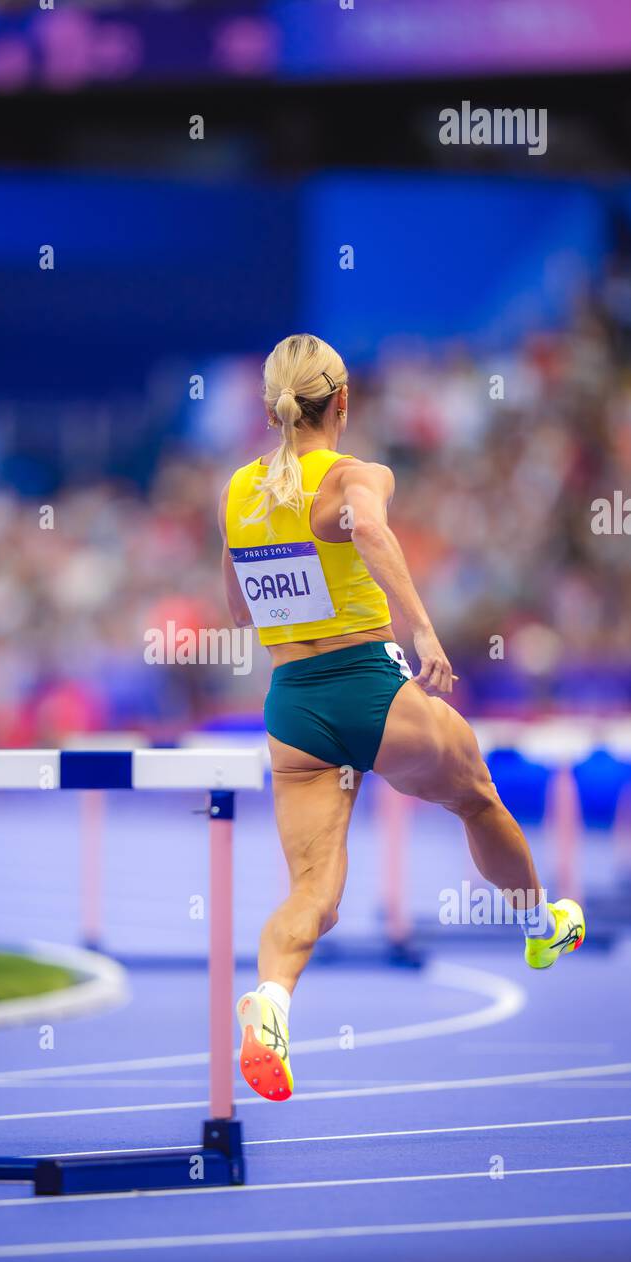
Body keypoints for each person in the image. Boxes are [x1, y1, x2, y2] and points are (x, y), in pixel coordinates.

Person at [218, 333, 584, 1103]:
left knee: (312, 891)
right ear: (342, 402)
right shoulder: (358, 472)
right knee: (475, 794)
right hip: (368, 686)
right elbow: (372, 530)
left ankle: (272, 1004)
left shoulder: (237, 493)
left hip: (293, 706)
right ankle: (539, 922)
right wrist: (422, 631)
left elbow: (235, 606)